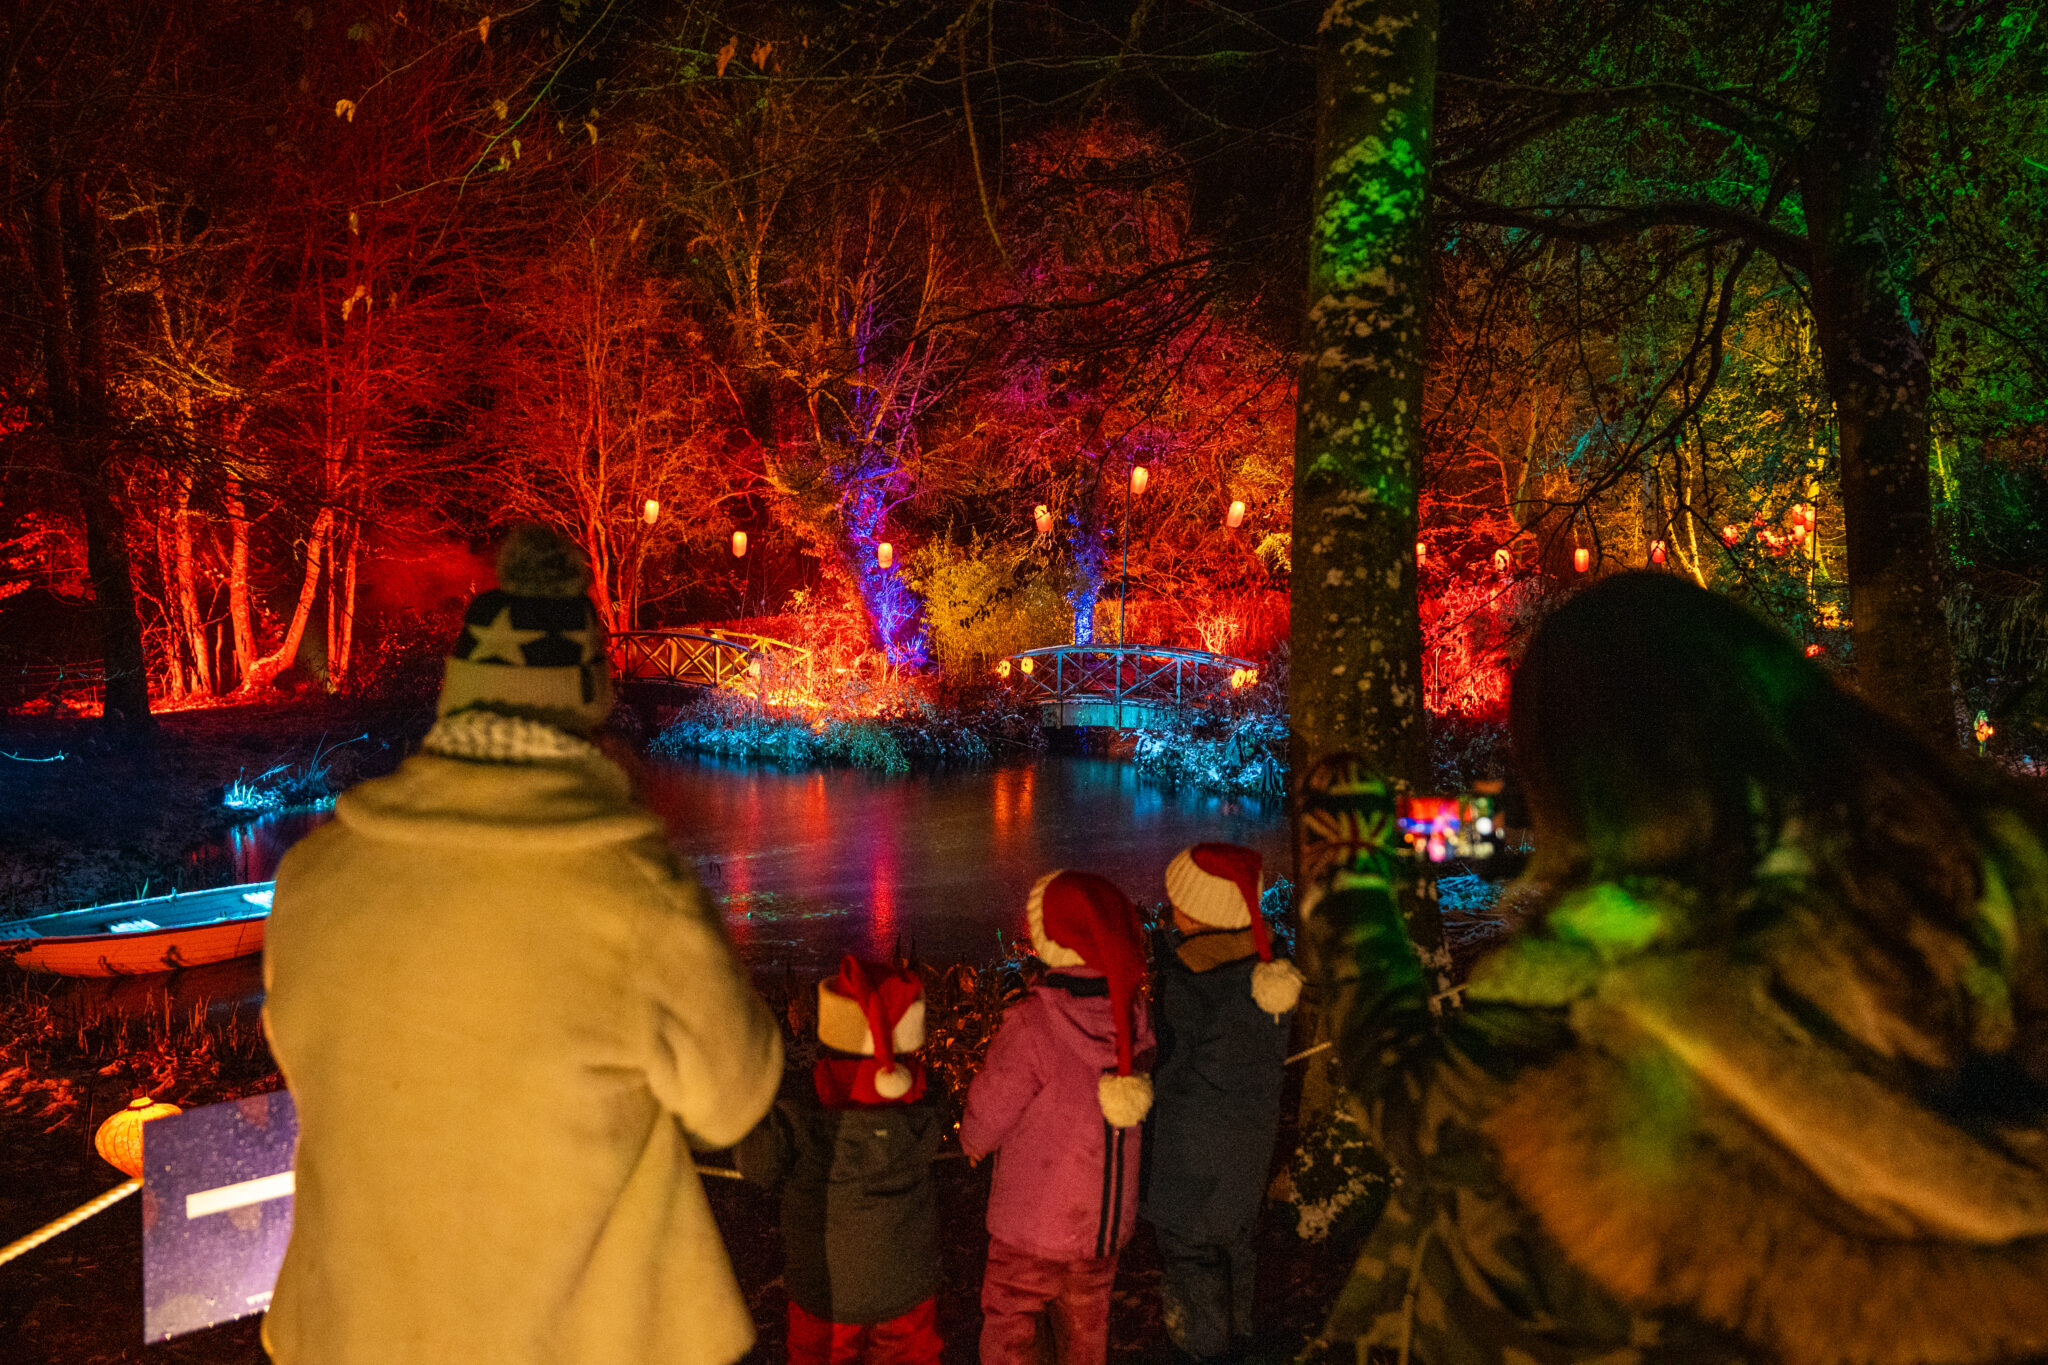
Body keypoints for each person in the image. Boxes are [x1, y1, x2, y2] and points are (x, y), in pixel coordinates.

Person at [1303, 571, 2048, 1365]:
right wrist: (1417, 829)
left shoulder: (1599, 980)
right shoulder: (1946, 873)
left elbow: (1411, 1103)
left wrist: (1346, 877)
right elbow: (1536, 828)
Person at [260, 525, 784, 1365]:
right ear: (589, 702)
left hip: (352, 1331)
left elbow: (306, 1059)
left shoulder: (313, 875)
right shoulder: (630, 891)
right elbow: (733, 1094)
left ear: (456, 695)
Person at [962, 870, 1157, 1365]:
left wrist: (972, 1140)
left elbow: (994, 1102)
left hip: (1030, 1222)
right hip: (1101, 1227)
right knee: (1086, 1326)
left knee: (1011, 1317)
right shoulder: (1130, 1015)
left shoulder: (1034, 1024)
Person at [735, 955, 946, 1365]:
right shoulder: (925, 1102)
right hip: (907, 1284)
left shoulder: (799, 1105)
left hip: (823, 1287)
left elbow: (756, 1165)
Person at [1144, 843, 1303, 1362]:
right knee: (1236, 1243)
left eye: (1179, 904)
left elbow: (1165, 1070)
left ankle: (1200, 1350)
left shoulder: (1193, 985)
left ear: (1204, 914)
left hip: (1191, 1159)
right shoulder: (1265, 975)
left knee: (1191, 1259)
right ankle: (1242, 1336)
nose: (1170, 911)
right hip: (1248, 1145)